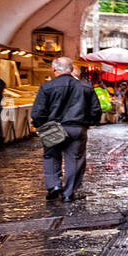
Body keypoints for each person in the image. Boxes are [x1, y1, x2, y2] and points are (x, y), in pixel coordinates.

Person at [31, 56, 101, 201]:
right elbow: (96, 110)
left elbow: (38, 111)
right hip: (77, 127)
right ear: (71, 69)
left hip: (52, 126)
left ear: (54, 69)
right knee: (75, 159)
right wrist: (89, 123)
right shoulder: (86, 86)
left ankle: (54, 185)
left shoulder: (46, 87)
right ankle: (69, 193)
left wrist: (40, 126)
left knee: (51, 156)